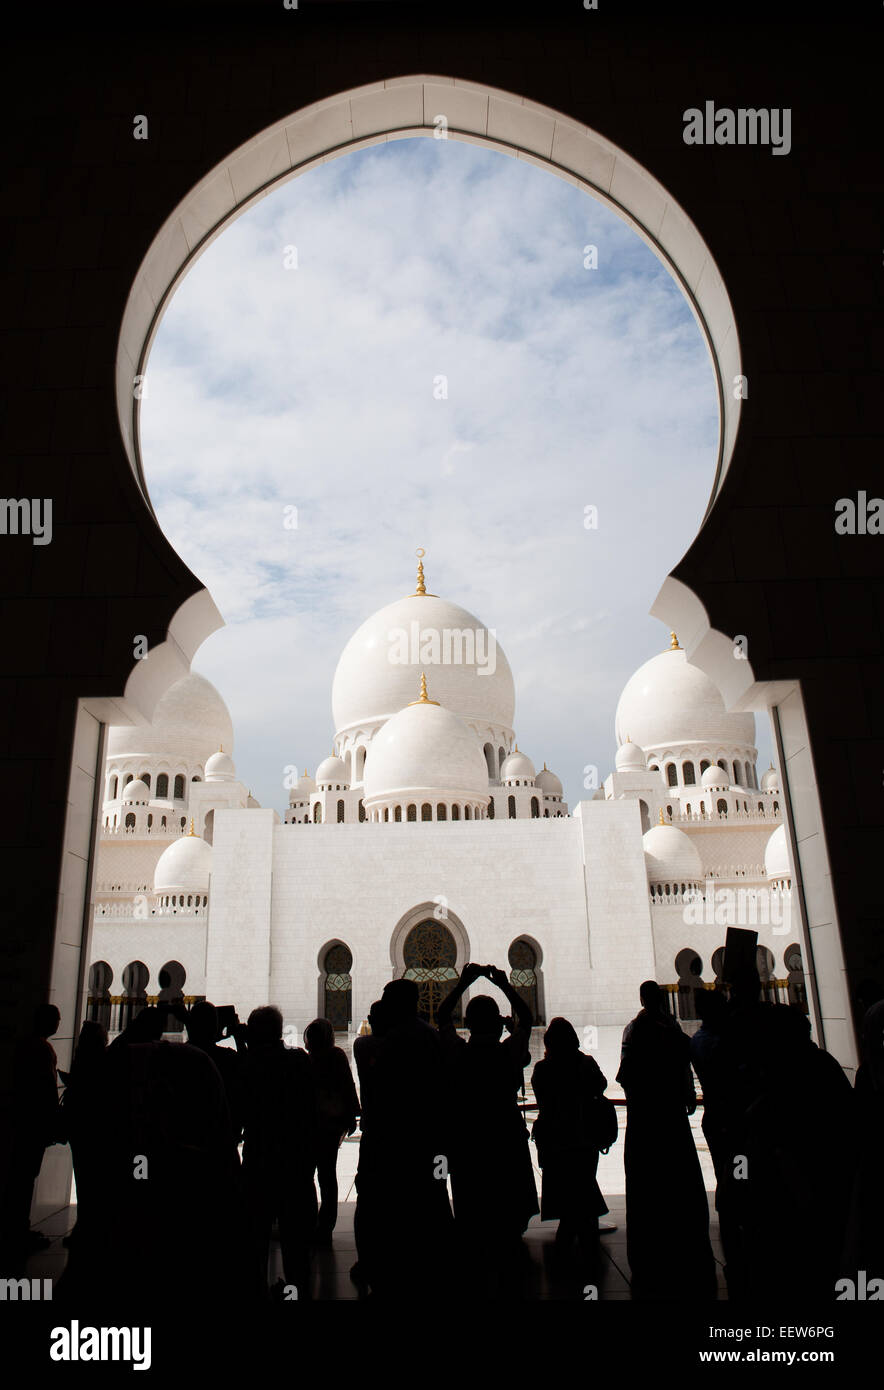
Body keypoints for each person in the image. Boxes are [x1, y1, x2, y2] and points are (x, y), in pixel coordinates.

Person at [437, 962, 538, 1296]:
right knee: (508, 1207)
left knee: (472, 1205)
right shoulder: (508, 1053)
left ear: (466, 1024)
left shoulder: (458, 1054)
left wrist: (462, 983)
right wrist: (506, 986)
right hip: (505, 1137)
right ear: (499, 1025)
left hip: (468, 1142)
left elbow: (441, 1017)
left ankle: (475, 1263)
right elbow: (528, 1018)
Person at [617, 981, 716, 1301]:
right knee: (680, 1182)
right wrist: (685, 1093)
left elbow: (626, 1076)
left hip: (645, 1122)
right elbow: (686, 1067)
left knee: (647, 1188)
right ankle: (685, 1247)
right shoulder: (671, 1031)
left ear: (642, 999)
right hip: (670, 1120)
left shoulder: (634, 1031)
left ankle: (650, 1254)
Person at [352, 980, 452, 1298]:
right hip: (429, 1141)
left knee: (374, 1200)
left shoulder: (382, 1044)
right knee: (433, 1197)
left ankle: (375, 1263)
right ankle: (436, 1261)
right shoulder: (431, 1037)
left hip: (388, 1141)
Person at [241, 1006, 317, 1300]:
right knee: (296, 1242)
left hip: (259, 1161)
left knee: (255, 1237)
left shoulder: (248, 1065)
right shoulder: (298, 1061)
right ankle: (297, 1291)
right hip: (294, 1163)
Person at [531, 1016, 609, 1277]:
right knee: (583, 1182)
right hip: (584, 1135)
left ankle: (569, 1241)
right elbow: (601, 1086)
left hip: (555, 1139)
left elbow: (543, 1098)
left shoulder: (543, 1069)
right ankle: (586, 1239)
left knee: (566, 1187)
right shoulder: (585, 1064)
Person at [0, 1003, 62, 1263]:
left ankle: (16, 1229)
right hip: (32, 1122)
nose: (58, 1024)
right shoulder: (41, 1049)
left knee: (20, 1177)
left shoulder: (24, 1045)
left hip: (21, 1119)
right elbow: (45, 1087)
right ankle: (17, 1232)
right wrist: (54, 1119)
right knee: (24, 1177)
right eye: (55, 1020)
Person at [304, 1017, 359, 1240]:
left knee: (310, 1173)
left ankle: (310, 1221)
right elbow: (348, 1085)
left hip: (311, 1124)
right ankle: (325, 1225)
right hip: (330, 1124)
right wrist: (352, 1116)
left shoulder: (306, 1060)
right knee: (327, 1174)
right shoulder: (335, 1056)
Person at [59, 1020, 108, 1250]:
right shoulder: (104, 1062)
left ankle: (85, 1227)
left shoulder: (82, 1062)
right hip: (96, 1130)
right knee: (95, 1180)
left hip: (81, 1129)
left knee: (85, 1179)